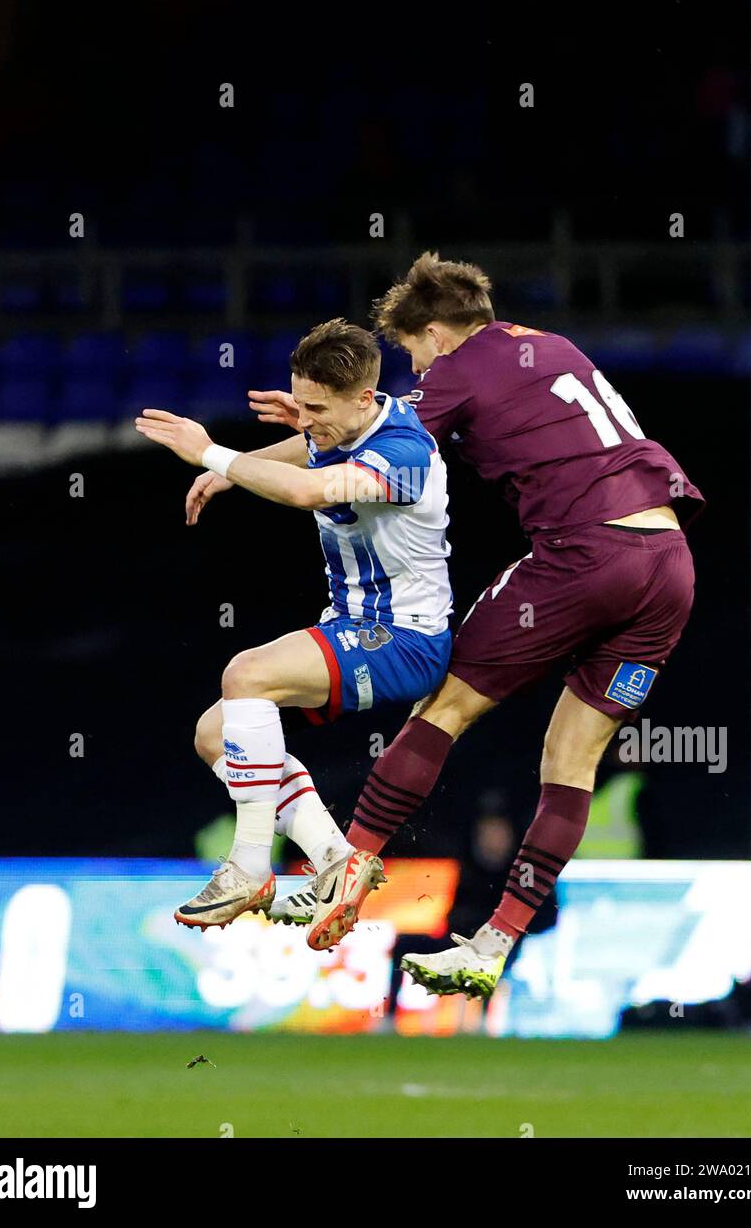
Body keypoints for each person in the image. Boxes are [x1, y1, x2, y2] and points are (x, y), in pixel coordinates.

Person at [248, 252, 704, 993]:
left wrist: (232, 458)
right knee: (571, 761)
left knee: (445, 709)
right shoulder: (554, 347)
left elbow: (359, 441)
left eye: (414, 353)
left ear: (435, 332)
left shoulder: (460, 367)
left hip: (586, 554)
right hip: (669, 563)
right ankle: (494, 941)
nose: (417, 371)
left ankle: (348, 868)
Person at [134, 318, 453, 951]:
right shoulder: (349, 425)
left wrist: (213, 454)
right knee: (215, 733)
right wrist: (242, 468)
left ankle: (251, 865)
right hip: (355, 626)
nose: (302, 419)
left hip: (404, 639)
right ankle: (338, 862)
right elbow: (314, 450)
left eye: (315, 408)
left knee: (245, 674)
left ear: (363, 398)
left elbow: (312, 487)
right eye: (298, 404)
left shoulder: (404, 452)